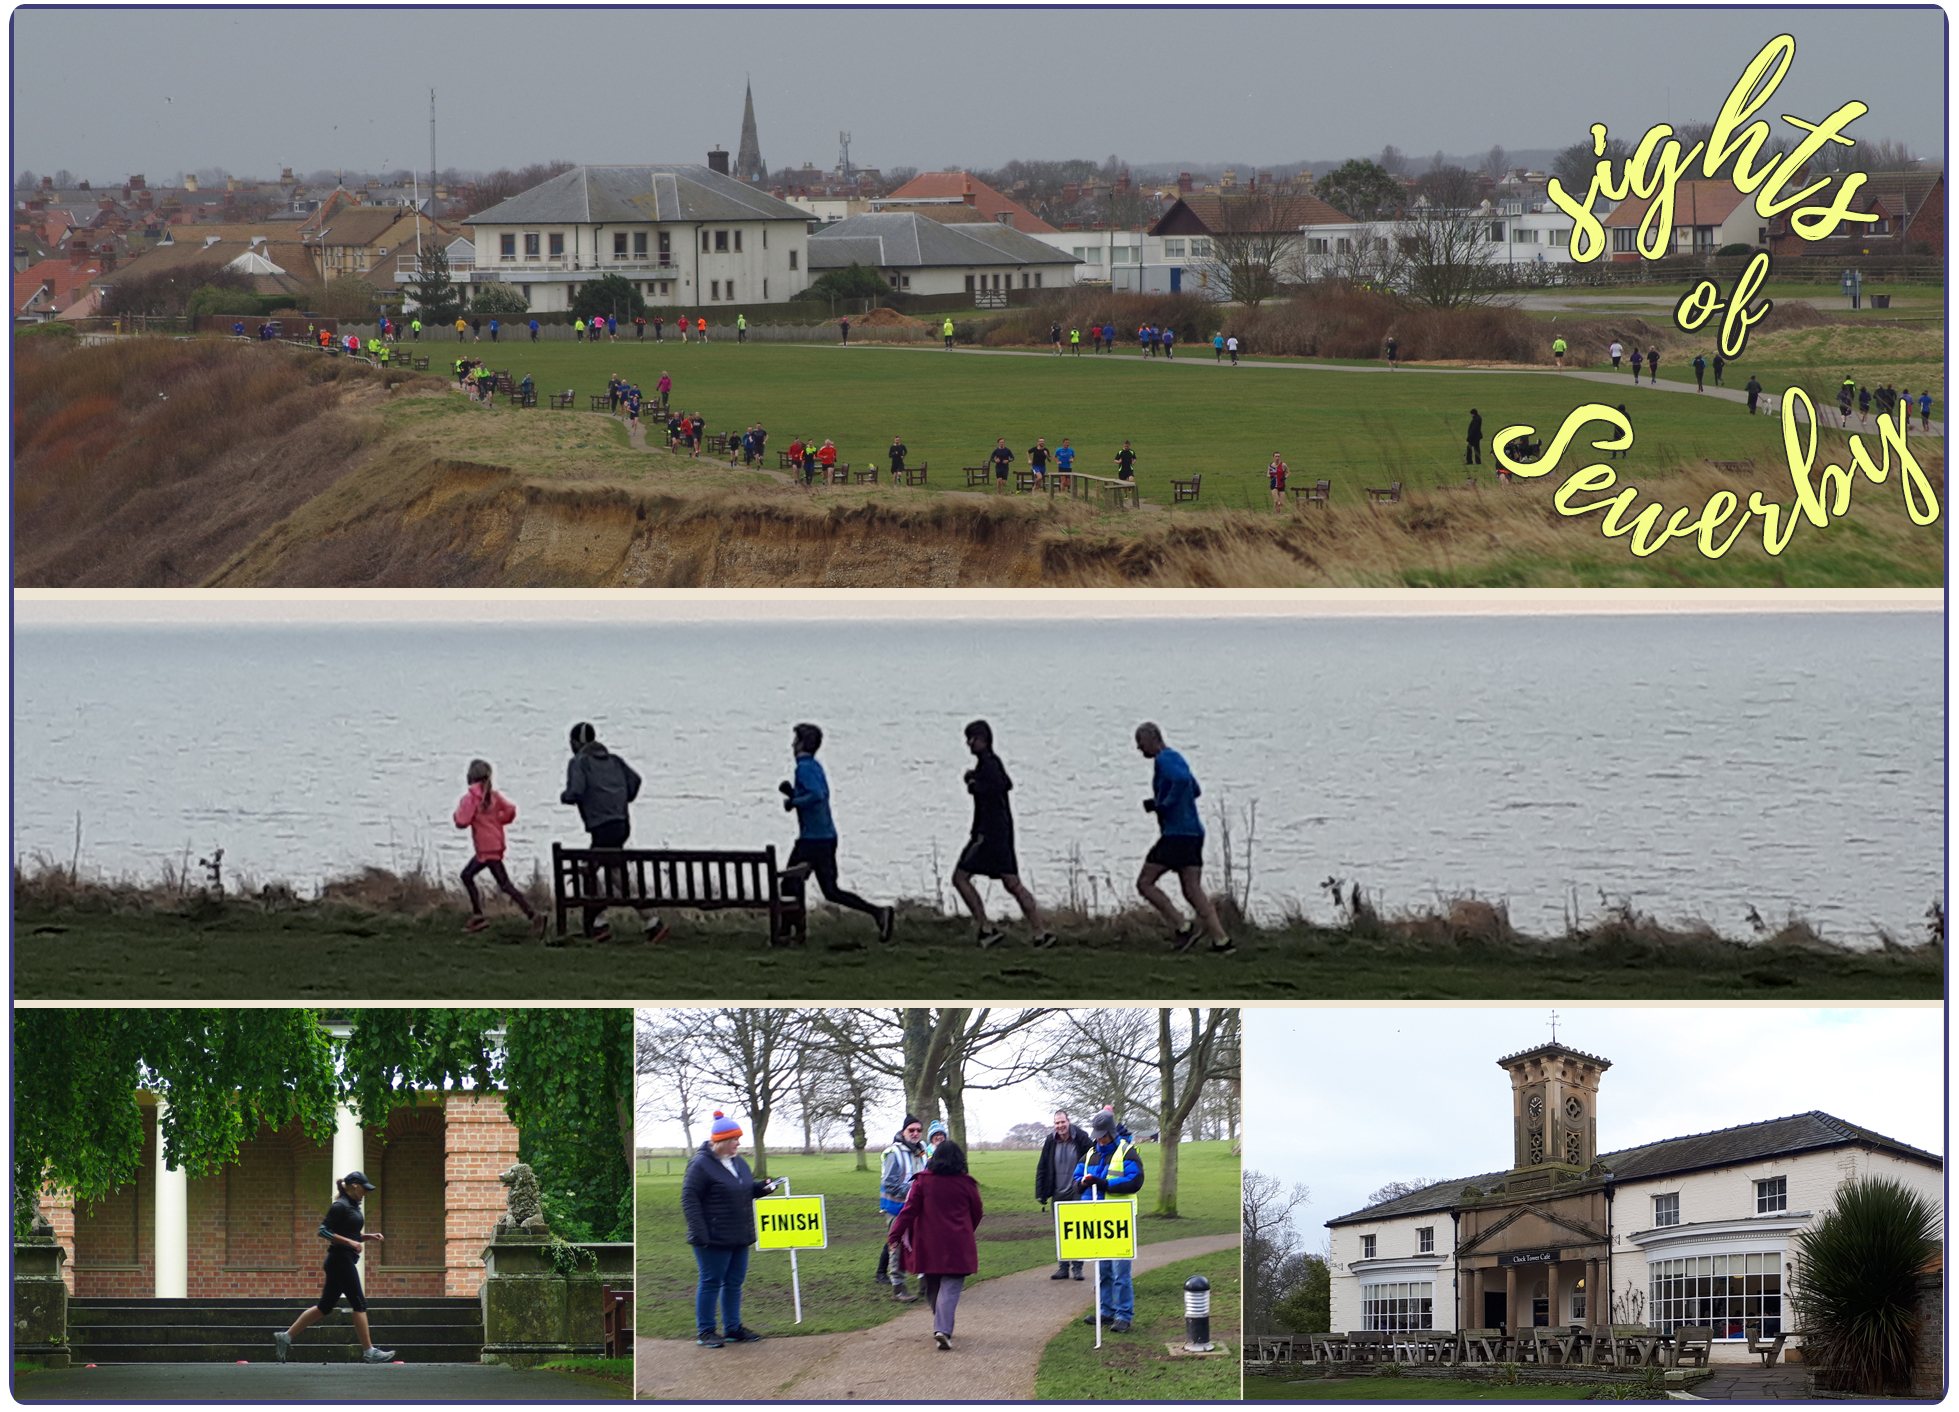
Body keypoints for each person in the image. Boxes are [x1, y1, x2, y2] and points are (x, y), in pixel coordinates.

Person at [779, 722, 895, 942]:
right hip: (826, 836)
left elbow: (817, 795)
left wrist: (794, 801)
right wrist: (795, 797)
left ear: (802, 743)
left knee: (789, 883)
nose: (792, 744)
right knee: (830, 890)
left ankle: (789, 932)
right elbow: (817, 794)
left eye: (795, 740)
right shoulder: (815, 765)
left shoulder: (803, 767)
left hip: (812, 839)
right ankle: (878, 913)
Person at [951, 719, 1053, 950]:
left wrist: (972, 783)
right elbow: (1005, 784)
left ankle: (986, 929)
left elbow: (996, 787)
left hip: (987, 834)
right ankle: (1039, 932)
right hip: (1002, 833)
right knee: (1012, 882)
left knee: (960, 877)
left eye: (972, 739)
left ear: (983, 740)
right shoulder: (991, 764)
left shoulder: (988, 765)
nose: (968, 743)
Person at [273, 1172, 393, 1364]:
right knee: (359, 1304)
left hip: (341, 1259)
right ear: (354, 1186)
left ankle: (285, 1337)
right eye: (364, 1189)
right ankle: (369, 1351)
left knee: (324, 1307)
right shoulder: (340, 1206)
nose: (365, 1193)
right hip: (339, 1260)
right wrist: (350, 1243)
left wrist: (368, 1236)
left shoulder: (352, 1206)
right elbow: (323, 1231)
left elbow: (349, 1234)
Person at [681, 1111, 779, 1347]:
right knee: (711, 1281)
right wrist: (700, 1233)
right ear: (722, 1141)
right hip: (712, 1238)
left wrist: (762, 1188)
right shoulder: (700, 1165)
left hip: (739, 1235)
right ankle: (706, 1331)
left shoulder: (738, 1162)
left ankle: (733, 1327)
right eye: (734, 1139)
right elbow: (689, 1199)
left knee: (734, 1282)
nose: (738, 1143)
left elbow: (743, 1190)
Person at [1134, 722, 1231, 954]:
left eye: (1140, 743)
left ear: (1152, 740)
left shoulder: (1163, 760)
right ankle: (1221, 941)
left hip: (1176, 835)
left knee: (1145, 883)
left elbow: (1181, 781)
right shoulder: (1177, 756)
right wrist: (1170, 801)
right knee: (1192, 890)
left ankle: (1182, 925)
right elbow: (1195, 789)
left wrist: (1162, 805)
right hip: (1194, 833)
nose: (1139, 749)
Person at [560, 722, 662, 945]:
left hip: (601, 825)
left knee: (588, 871)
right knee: (616, 872)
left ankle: (597, 924)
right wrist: (621, 798)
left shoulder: (580, 762)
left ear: (577, 743)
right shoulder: (614, 760)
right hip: (622, 823)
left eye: (571, 743)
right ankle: (652, 920)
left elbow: (576, 790)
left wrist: (566, 796)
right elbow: (635, 781)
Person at [890, 1139, 984, 1351]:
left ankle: (941, 1325)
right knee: (951, 1287)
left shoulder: (922, 1182)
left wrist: (894, 1236)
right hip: (958, 1241)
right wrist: (968, 1230)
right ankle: (942, 1328)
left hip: (928, 1242)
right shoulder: (967, 1183)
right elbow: (977, 1212)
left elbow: (908, 1211)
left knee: (933, 1284)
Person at [1072, 1109, 1145, 1333]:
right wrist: (1083, 1184)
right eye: (1098, 1135)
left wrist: (1103, 1184)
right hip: (1097, 1217)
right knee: (1102, 1269)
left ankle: (1123, 1315)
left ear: (1112, 1133)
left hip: (1119, 1217)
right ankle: (1106, 1311)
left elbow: (1135, 1181)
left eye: (1103, 1135)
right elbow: (1075, 1179)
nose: (1100, 1139)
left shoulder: (1128, 1153)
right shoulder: (1090, 1153)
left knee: (1120, 1270)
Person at [453, 761, 544, 937]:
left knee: (475, 878)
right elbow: (510, 810)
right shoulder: (494, 796)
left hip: (485, 851)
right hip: (495, 846)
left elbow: (462, 821)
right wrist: (498, 821)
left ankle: (532, 915)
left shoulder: (472, 798)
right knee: (499, 883)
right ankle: (529, 915)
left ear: (470, 777)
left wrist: (457, 816)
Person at [875, 1116, 929, 1299]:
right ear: (904, 1131)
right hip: (896, 1207)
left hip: (918, 1208)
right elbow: (889, 1183)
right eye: (911, 1130)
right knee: (896, 1246)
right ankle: (898, 1288)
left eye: (918, 1130)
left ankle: (925, 1283)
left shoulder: (922, 1152)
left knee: (921, 1243)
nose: (915, 1133)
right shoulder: (894, 1153)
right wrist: (915, 1191)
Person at [1035, 1111, 1091, 1281]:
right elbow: (1043, 1166)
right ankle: (1063, 1267)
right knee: (1061, 1231)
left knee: (1078, 1230)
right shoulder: (1050, 1141)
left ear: (1069, 1121)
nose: (1060, 1126)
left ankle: (1078, 1267)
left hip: (1076, 1190)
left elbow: (1093, 1159)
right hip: (1057, 1192)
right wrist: (1041, 1192)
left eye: (1062, 1122)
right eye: (1056, 1123)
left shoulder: (1081, 1138)